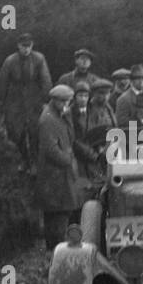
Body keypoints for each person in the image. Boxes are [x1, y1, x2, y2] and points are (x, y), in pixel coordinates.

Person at [0, 32, 52, 172]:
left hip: (34, 98)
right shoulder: (10, 61)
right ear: (18, 46)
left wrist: (46, 100)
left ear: (32, 45)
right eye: (23, 46)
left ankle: (34, 162)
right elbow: (3, 81)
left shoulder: (39, 59)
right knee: (16, 131)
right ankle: (24, 158)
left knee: (35, 131)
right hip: (15, 99)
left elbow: (45, 80)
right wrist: (1, 99)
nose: (26, 49)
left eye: (29, 46)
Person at [36, 85, 79, 250]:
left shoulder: (60, 116)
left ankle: (54, 249)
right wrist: (68, 160)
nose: (68, 105)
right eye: (65, 102)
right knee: (58, 215)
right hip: (54, 176)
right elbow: (51, 149)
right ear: (56, 101)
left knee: (58, 214)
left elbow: (70, 138)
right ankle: (56, 249)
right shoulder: (48, 119)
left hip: (60, 175)